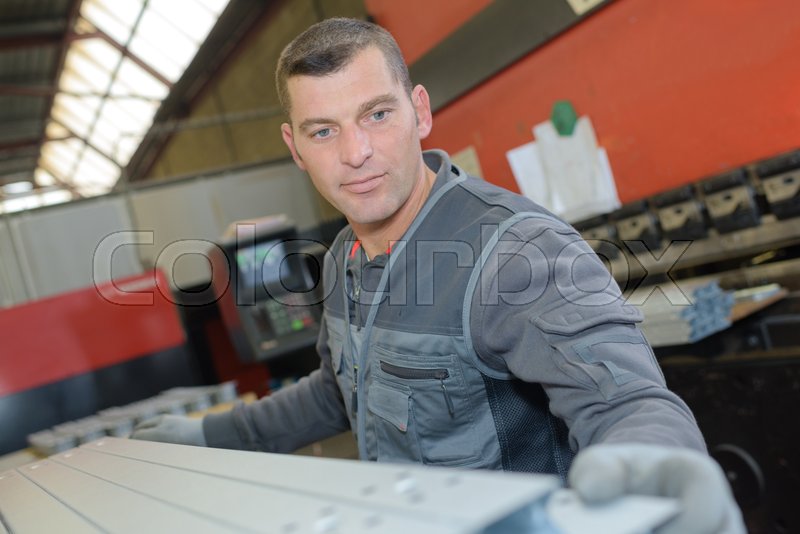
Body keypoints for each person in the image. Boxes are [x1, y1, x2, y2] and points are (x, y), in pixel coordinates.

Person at [132, 17, 744, 534]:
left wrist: (655, 472)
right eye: (325, 131)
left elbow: (627, 403)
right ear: (296, 148)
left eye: (376, 114)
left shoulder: (517, 254)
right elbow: (334, 392)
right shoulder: (345, 257)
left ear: (419, 111)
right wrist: (209, 434)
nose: (355, 153)